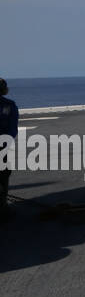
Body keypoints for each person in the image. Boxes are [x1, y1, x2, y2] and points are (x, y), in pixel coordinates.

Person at [0, 78, 17, 220]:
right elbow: (12, 129)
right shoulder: (9, 105)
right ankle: (3, 206)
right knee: (3, 176)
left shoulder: (9, 105)